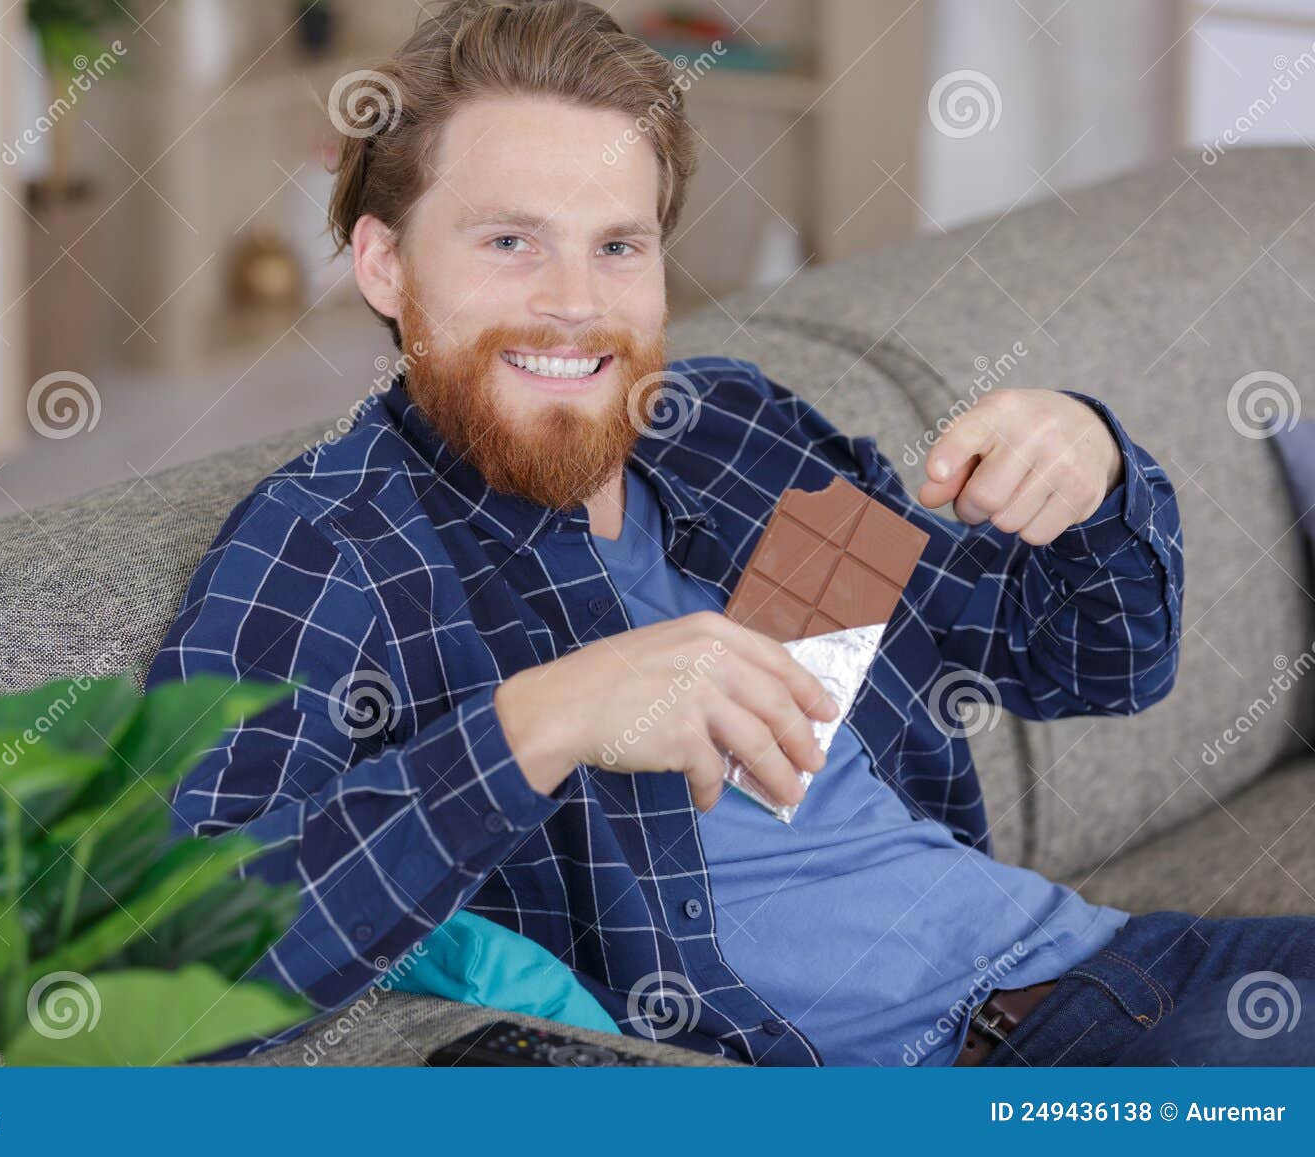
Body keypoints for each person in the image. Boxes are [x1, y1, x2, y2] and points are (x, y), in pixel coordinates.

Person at [147, 0, 1315, 1066]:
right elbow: (161, 973)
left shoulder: (732, 437)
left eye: (618, 244)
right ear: (385, 262)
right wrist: (541, 721)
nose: (574, 300)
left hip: (1128, 974)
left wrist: (1094, 476)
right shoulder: (332, 547)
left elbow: (1094, 662)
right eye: (509, 242)